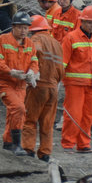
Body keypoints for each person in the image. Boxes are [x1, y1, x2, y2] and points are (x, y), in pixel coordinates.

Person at [61, 6, 92, 153]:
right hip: (74, 84)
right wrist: (57, 78)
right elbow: (62, 62)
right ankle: (68, 144)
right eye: (89, 22)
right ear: (81, 21)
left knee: (89, 115)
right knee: (73, 114)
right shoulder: (71, 38)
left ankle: (83, 144)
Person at [0, 13, 38, 156]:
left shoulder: (29, 43)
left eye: (26, 28)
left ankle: (8, 142)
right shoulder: (2, 40)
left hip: (21, 85)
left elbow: (34, 61)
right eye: (20, 27)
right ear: (13, 27)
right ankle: (17, 145)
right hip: (5, 83)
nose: (23, 31)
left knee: (14, 113)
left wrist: (32, 72)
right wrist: (10, 72)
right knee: (18, 108)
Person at [22, 16, 64, 161]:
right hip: (53, 88)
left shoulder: (35, 40)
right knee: (47, 122)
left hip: (38, 86)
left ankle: (28, 149)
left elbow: (31, 56)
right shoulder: (56, 43)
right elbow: (61, 68)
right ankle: (45, 153)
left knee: (30, 119)